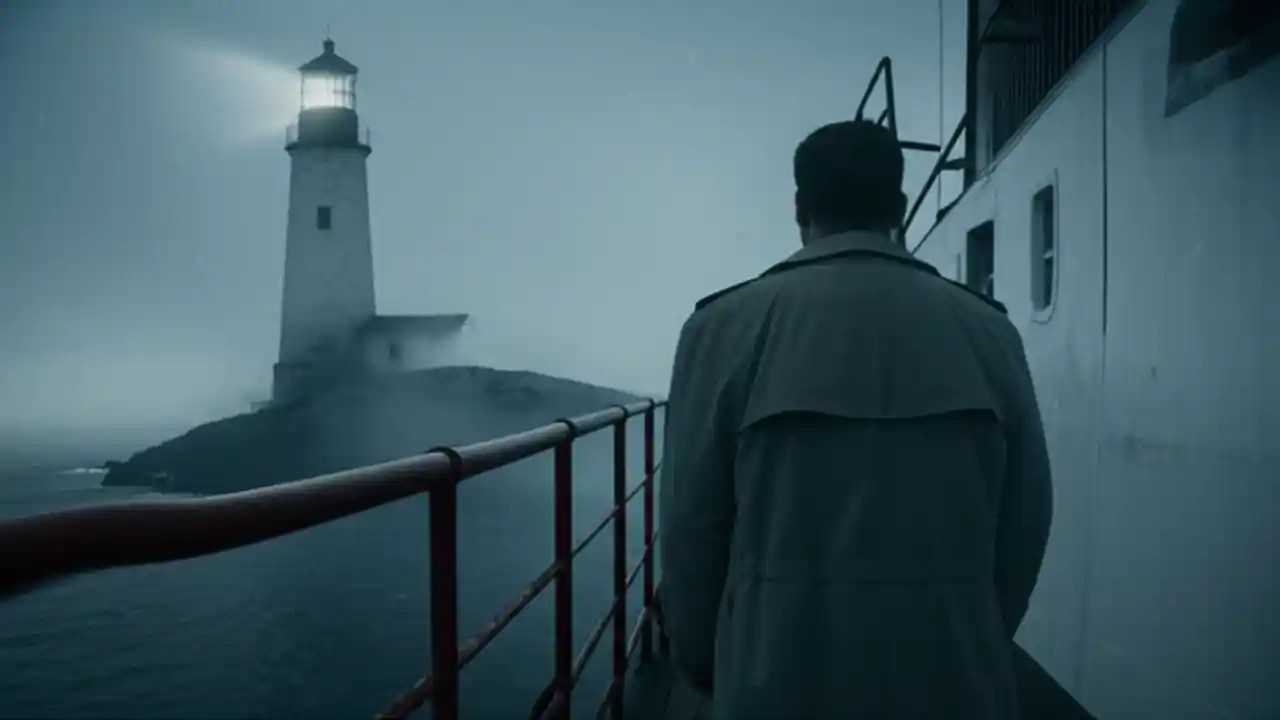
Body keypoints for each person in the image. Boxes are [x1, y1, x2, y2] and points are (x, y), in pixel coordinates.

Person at [657, 120, 1053, 719]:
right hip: (954, 683)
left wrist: (708, 662)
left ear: (799, 208)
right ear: (897, 208)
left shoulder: (720, 329)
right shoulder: (989, 333)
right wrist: (979, 636)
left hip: (773, 684)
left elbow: (691, 526)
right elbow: (1026, 518)